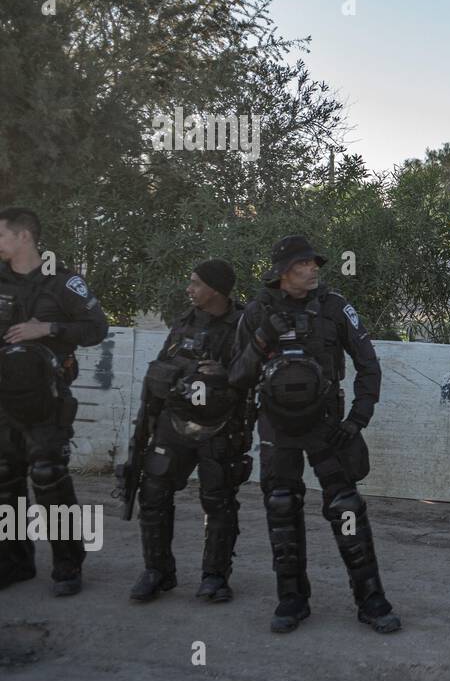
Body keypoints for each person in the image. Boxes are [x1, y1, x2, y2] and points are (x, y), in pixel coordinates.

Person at [228, 235, 399, 634]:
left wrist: (357, 420)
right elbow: (237, 375)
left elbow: (369, 366)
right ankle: (292, 600)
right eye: (304, 265)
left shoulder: (335, 307)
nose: (313, 270)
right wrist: (261, 338)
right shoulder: (257, 311)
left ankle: (371, 600)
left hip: (327, 428)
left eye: (314, 264)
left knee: (346, 510)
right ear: (284, 273)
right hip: (277, 429)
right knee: (282, 508)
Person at [0, 207, 109, 595]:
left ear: (24, 237)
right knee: (4, 479)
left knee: (48, 476)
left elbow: (97, 328)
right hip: (4, 398)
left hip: (48, 397)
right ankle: (14, 563)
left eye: (2, 236)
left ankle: (68, 565)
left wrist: (48, 328)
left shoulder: (63, 282)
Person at [128, 260, 250, 603]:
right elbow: (161, 369)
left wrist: (226, 373)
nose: (189, 288)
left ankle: (214, 576)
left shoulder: (241, 324)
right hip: (174, 422)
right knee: (152, 494)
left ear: (216, 289)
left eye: (196, 283)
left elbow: (252, 372)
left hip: (221, 426)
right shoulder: (184, 321)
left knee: (218, 501)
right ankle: (157, 571)